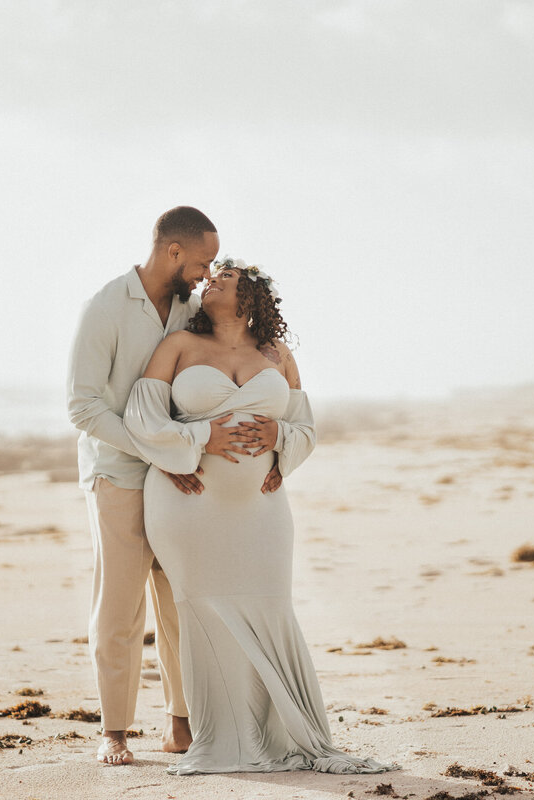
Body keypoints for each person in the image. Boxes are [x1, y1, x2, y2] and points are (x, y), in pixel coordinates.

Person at [122, 258, 397, 774]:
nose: (209, 282)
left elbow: (305, 428)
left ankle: (281, 733)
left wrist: (280, 440)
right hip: (189, 504)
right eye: (209, 277)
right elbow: (143, 416)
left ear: (250, 297)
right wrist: (196, 439)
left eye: (222, 278)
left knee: (271, 605)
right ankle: (222, 736)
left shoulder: (278, 355)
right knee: (206, 612)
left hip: (262, 508)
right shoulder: (178, 346)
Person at [67, 207, 254, 766]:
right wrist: (162, 451)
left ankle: (182, 724)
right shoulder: (104, 307)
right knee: (120, 606)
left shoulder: (191, 311)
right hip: (119, 475)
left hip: (181, 481)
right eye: (202, 261)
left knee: (179, 603)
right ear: (173, 252)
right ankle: (115, 732)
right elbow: (83, 406)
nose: (206, 272)